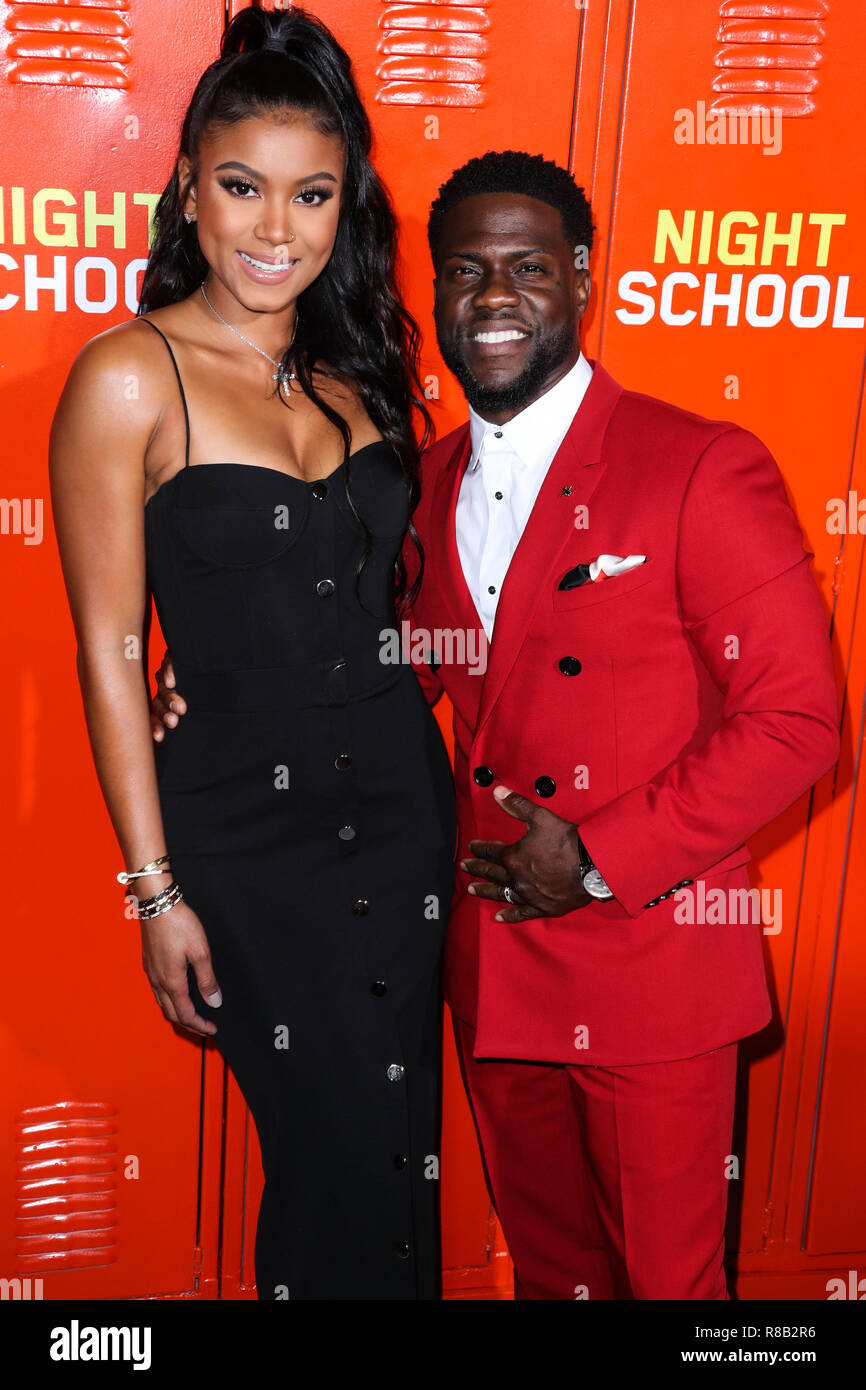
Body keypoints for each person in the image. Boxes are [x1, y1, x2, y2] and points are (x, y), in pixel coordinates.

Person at [151, 150, 841, 1300]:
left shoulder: (699, 466)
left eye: (526, 267)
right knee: (554, 1272)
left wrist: (599, 853)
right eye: (465, 270)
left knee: (670, 1287)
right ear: (435, 290)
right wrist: (215, 665)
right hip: (496, 952)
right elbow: (381, 662)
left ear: (580, 278)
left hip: (650, 965)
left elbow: (797, 722)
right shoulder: (417, 482)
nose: (493, 297)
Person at [49, 5, 456, 1302]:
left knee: (393, 1161)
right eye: (241, 186)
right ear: (186, 186)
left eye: (311, 194)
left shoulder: (361, 377)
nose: (275, 229)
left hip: (399, 814)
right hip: (248, 840)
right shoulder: (130, 377)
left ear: (345, 207)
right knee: (329, 1151)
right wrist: (154, 892)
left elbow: (404, 600)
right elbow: (112, 653)